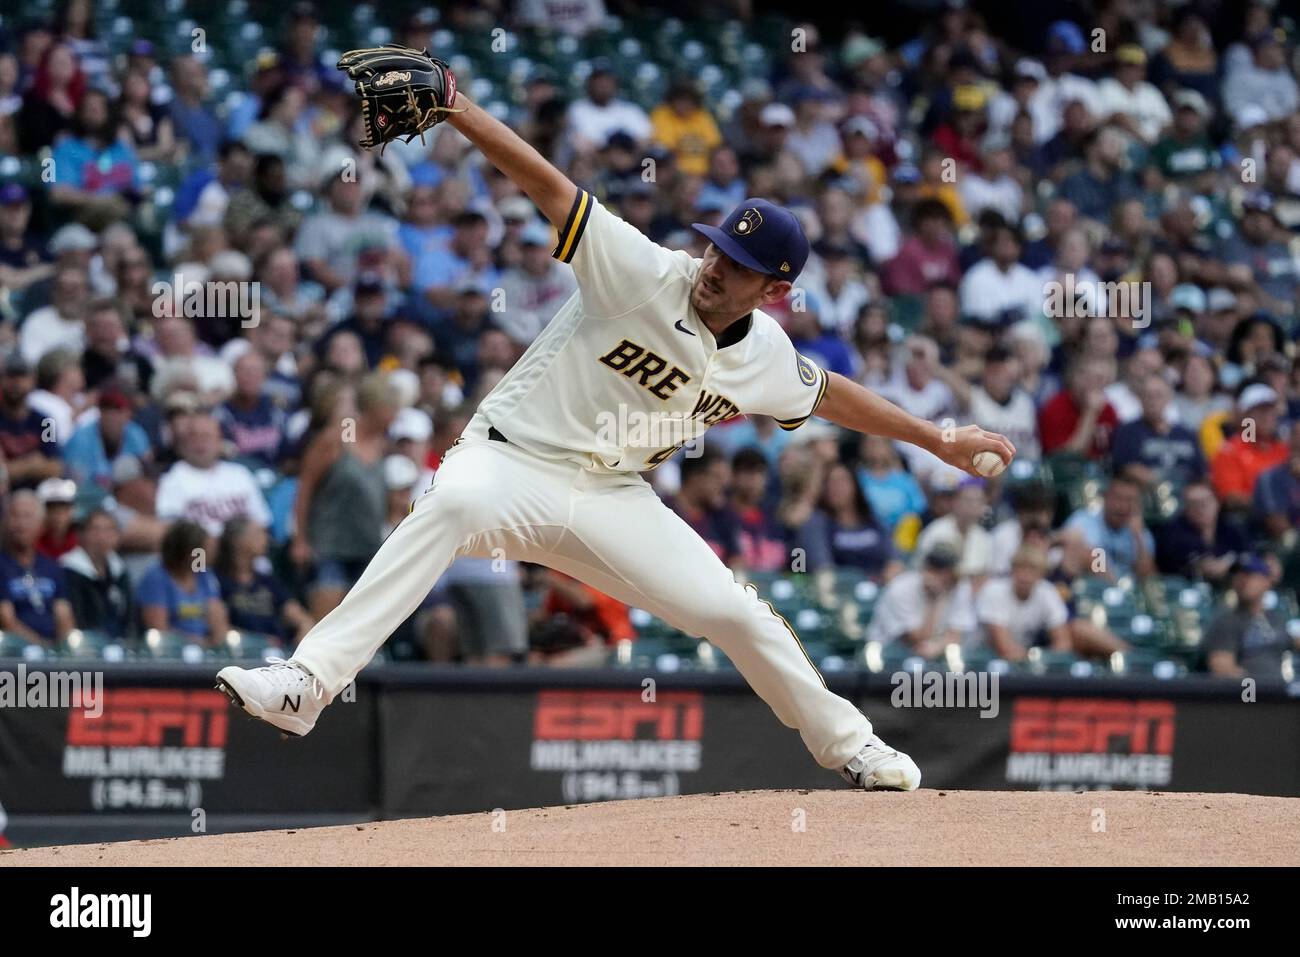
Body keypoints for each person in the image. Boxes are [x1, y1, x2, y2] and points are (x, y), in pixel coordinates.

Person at [217, 71, 1015, 792]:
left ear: (775, 290)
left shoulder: (765, 354)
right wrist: (457, 108)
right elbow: (550, 188)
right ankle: (307, 684)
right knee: (451, 505)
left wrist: (935, 438)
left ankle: (853, 746)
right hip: (511, 463)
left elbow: (831, 394)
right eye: (716, 246)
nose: (714, 264)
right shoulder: (642, 270)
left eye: (737, 264)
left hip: (612, 496)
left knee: (734, 613)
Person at [215, 515, 314, 646]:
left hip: (275, 655)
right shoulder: (218, 583)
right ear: (239, 541)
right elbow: (219, 629)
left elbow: (300, 617)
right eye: (258, 534)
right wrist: (259, 642)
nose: (265, 539)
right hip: (238, 654)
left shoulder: (267, 581)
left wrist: (304, 631)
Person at [1202, 555, 1297, 680]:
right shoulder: (1226, 621)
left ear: (1266, 581)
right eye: (1237, 575)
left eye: (1249, 574)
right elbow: (1223, 668)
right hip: (1248, 694)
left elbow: (1290, 641)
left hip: (1280, 692)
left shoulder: (1275, 617)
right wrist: (1256, 692)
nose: (1242, 580)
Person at [0, 490, 76, 645]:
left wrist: (61, 650)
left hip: (52, 655)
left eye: (27, 517)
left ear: (41, 524)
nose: (21, 524)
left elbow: (63, 615)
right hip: (14, 655)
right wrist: (42, 647)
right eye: (15, 516)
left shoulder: (52, 567)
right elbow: (6, 620)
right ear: (5, 522)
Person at [135, 520, 228, 644]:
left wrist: (217, 640)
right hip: (170, 653)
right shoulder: (156, 578)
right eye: (205, 550)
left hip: (205, 650)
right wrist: (200, 643)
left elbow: (218, 619)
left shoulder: (205, 576)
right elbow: (159, 630)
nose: (212, 555)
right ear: (187, 551)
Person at [973, 545, 1071, 661]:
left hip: (1023, 658)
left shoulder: (1048, 592)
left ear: (1042, 574)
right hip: (982, 659)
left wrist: (1045, 662)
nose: (1025, 575)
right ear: (1012, 569)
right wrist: (1037, 660)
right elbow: (1004, 648)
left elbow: (1063, 643)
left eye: (1032, 569)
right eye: (1020, 568)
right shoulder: (994, 590)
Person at [60, 507, 134, 640]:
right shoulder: (68, 570)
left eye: (109, 530)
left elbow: (129, 618)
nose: (102, 536)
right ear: (81, 535)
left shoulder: (120, 571)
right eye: (95, 529)